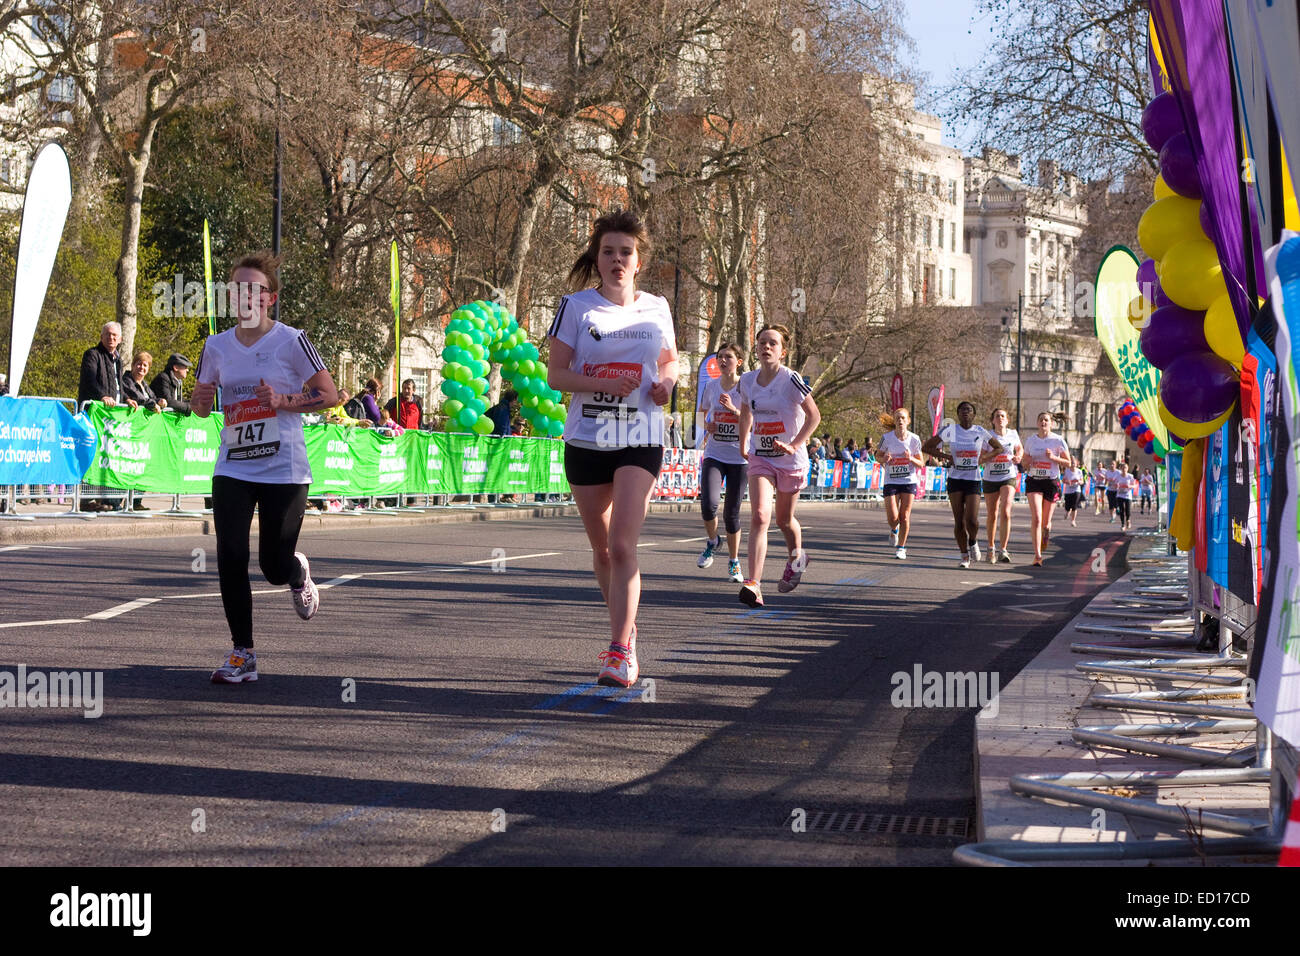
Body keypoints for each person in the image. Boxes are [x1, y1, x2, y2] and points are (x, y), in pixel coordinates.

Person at [190, 250, 338, 684]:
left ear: (270, 299)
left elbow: (330, 395)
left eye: (254, 289)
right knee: (230, 556)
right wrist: (199, 404)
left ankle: (296, 571)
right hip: (233, 465)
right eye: (237, 288)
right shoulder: (215, 346)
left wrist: (284, 401)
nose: (245, 296)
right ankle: (243, 654)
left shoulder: (292, 341)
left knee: (272, 565)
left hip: (284, 469)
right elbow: (201, 405)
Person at [546, 208, 678, 688]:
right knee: (602, 550)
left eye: (626, 252)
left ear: (638, 260)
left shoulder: (657, 307)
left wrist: (664, 383)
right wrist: (599, 382)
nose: (617, 260)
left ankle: (619, 651)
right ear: (596, 258)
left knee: (623, 543)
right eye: (608, 252)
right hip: (588, 437)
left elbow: (670, 362)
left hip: (640, 436)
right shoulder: (576, 307)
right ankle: (627, 623)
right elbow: (556, 375)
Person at [735, 325, 820, 606]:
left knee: (784, 520)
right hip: (761, 456)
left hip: (791, 459)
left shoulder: (791, 380)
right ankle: (754, 584)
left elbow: (814, 417)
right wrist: (743, 441)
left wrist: (794, 445)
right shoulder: (746, 380)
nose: (766, 347)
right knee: (760, 516)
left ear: (782, 352)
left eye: (772, 343)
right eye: (762, 342)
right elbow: (746, 410)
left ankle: (797, 556)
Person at [924, 401, 1002, 568]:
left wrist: (983, 459)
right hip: (955, 479)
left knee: (972, 520)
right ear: (958, 413)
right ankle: (964, 556)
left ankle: (973, 541)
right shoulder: (950, 430)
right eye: (962, 410)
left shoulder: (980, 431)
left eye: (969, 410)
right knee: (959, 520)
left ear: (973, 414)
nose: (966, 412)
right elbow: (927, 447)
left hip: (973, 479)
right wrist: (947, 457)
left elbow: (999, 448)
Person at [696, 342, 748, 583]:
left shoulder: (746, 387)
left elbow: (755, 420)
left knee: (732, 514)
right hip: (715, 454)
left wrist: (733, 410)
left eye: (728, 356)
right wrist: (706, 425)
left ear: (738, 361)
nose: (723, 360)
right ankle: (713, 540)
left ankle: (734, 561)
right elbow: (699, 414)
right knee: (708, 504)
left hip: (739, 458)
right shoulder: (711, 386)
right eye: (720, 357)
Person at [1022, 411, 1072, 566]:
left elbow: (1068, 462)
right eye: (1041, 420)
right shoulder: (1031, 440)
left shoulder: (1058, 440)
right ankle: (1037, 556)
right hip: (1034, 481)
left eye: (1046, 420)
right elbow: (1024, 463)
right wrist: (1027, 461)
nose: (1043, 422)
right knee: (1036, 518)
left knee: (1045, 523)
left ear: (1051, 423)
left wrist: (1053, 458)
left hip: (1051, 482)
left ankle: (1046, 530)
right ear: (1037, 423)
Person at [875, 407, 924, 559]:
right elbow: (877, 456)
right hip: (891, 481)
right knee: (893, 518)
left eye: (903, 418)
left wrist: (911, 459)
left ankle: (901, 547)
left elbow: (921, 463)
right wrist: (885, 459)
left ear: (908, 421)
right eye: (897, 418)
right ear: (894, 421)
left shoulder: (914, 439)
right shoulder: (887, 438)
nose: (900, 420)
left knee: (904, 516)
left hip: (908, 481)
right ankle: (893, 529)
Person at [979, 407, 1022, 563]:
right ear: (993, 420)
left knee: (1006, 511)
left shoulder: (1013, 434)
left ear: (1007, 419)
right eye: (997, 416)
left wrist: (1018, 456)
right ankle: (991, 547)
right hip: (991, 477)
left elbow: (1019, 448)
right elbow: (981, 457)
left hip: (1008, 476)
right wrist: (991, 455)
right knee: (992, 514)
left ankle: (1003, 550)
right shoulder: (988, 436)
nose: (1000, 418)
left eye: (1003, 416)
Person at [1061, 457, 1084, 527]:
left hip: (1077, 490)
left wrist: (1080, 482)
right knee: (1067, 507)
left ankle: (1073, 521)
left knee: (1074, 506)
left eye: (1074, 462)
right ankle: (1067, 512)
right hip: (1068, 491)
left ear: (1077, 463)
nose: (1073, 463)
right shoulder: (1067, 471)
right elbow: (1063, 480)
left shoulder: (1079, 471)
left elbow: (1082, 481)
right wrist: (1067, 481)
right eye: (1071, 462)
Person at [1115, 461, 1135, 531]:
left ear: (1127, 468)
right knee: (1121, 510)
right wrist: (1117, 486)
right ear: (1121, 469)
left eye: (1125, 468)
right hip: (1120, 495)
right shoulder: (1118, 476)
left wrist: (1129, 486)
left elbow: (1134, 485)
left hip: (1127, 495)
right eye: (1123, 468)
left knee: (1128, 510)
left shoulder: (1130, 476)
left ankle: (1128, 520)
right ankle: (1123, 524)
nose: (1124, 469)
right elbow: (1115, 485)